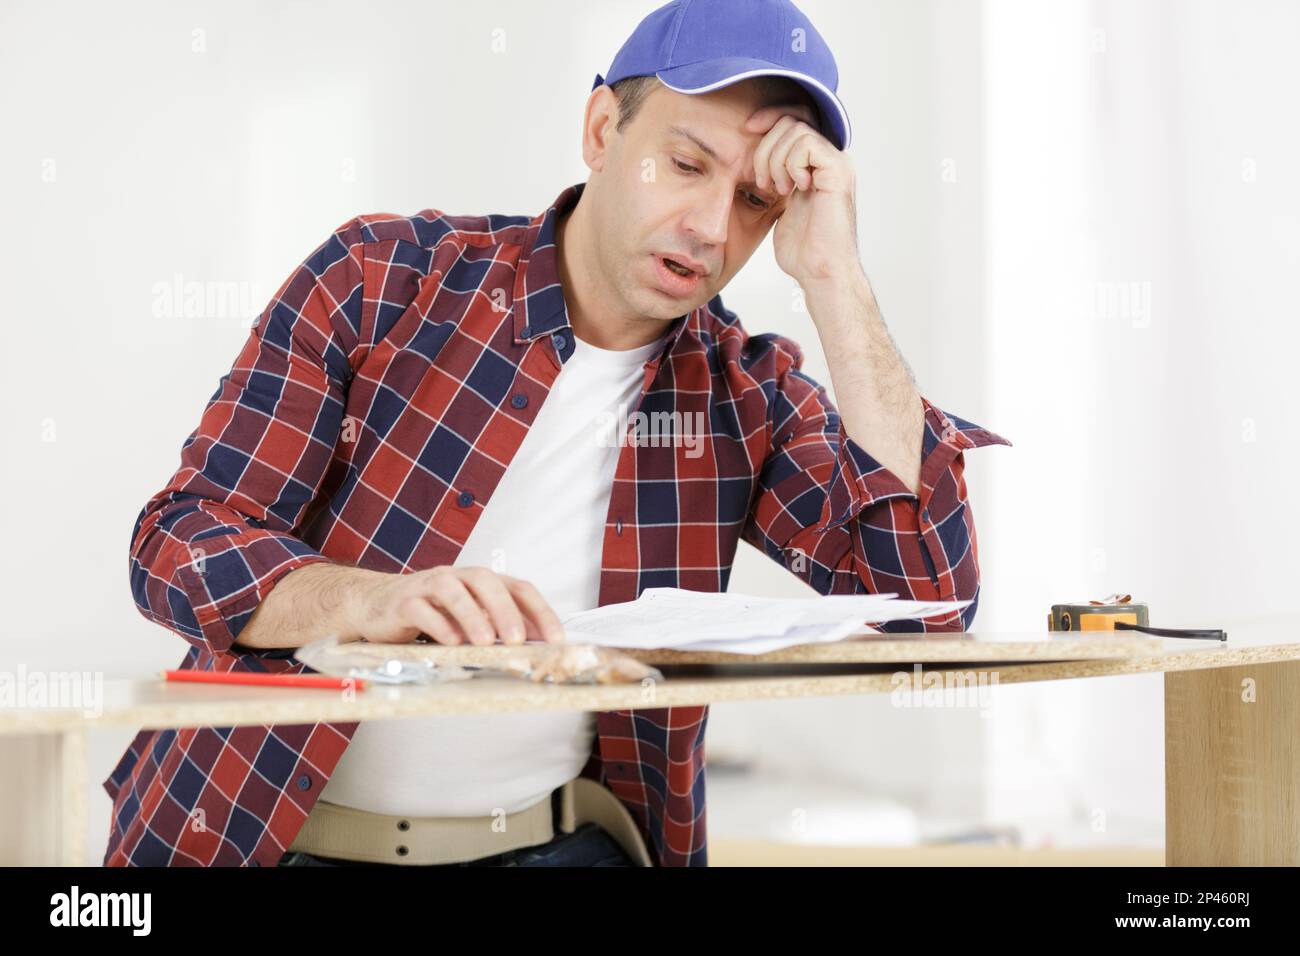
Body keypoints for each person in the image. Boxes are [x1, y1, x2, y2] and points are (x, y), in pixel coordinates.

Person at [103, 0, 1009, 868]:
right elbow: (177, 541)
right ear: (603, 131)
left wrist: (833, 274)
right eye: (686, 165)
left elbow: (925, 610)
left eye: (753, 202)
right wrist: (366, 603)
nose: (708, 228)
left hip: (560, 847)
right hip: (266, 839)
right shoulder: (380, 279)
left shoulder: (745, 392)